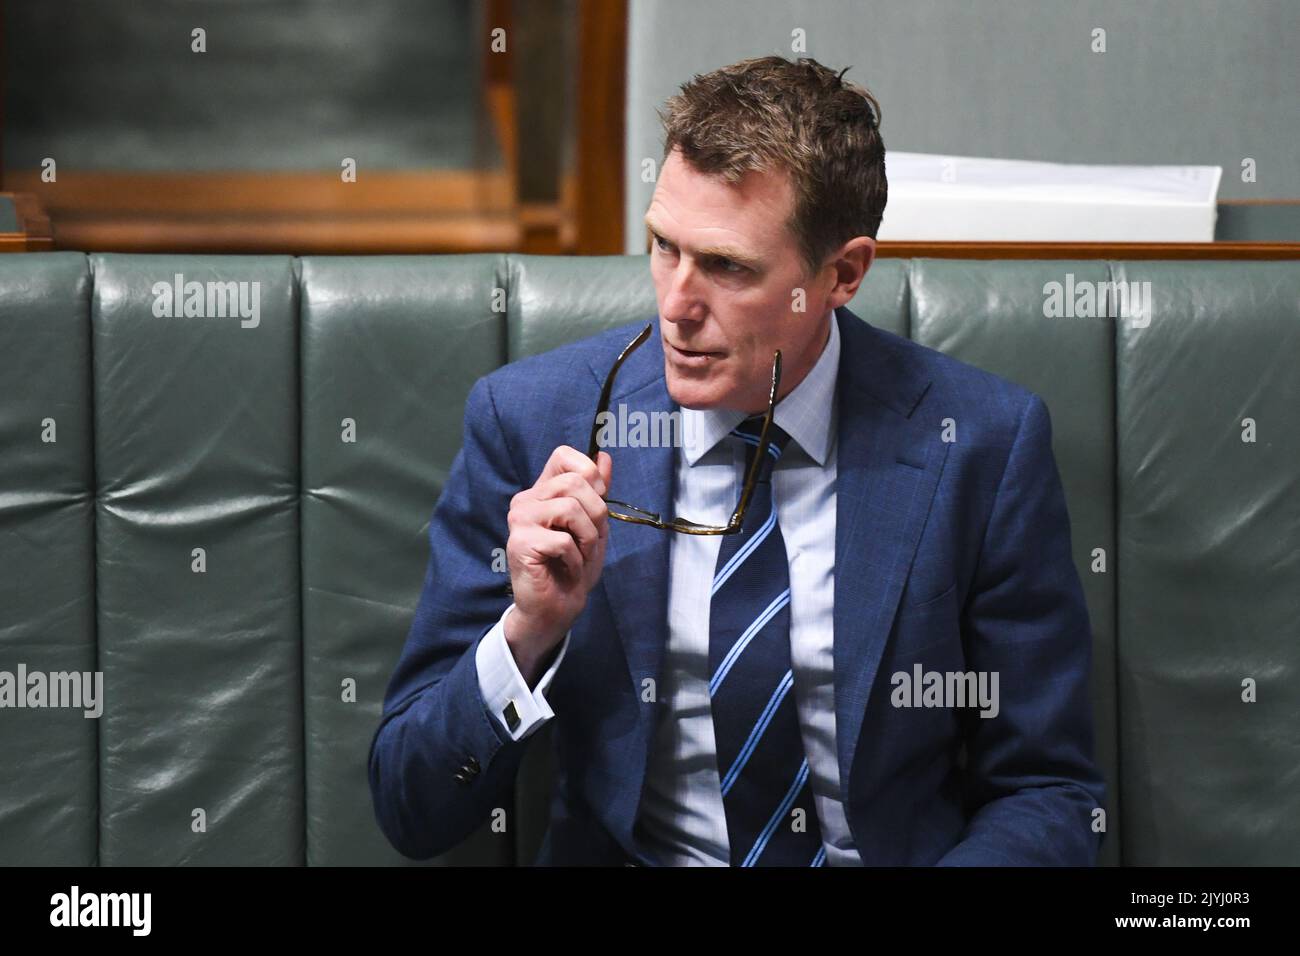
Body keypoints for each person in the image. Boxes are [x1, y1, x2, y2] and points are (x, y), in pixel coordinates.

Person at [368, 55, 1106, 866]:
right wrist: (530, 633)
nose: (676, 306)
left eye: (727, 267)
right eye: (663, 247)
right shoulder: (534, 424)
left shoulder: (981, 446)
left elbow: (1048, 792)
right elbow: (412, 805)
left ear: (844, 274)